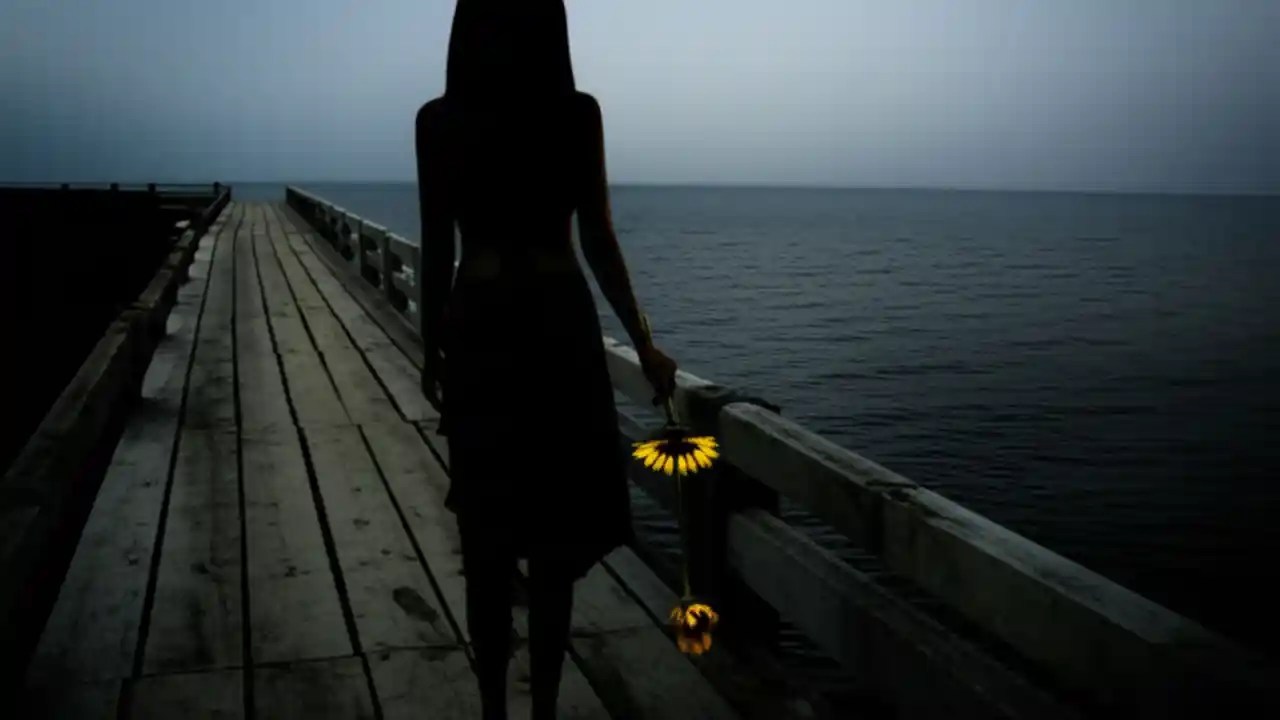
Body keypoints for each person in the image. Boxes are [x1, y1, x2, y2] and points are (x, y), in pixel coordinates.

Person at [414, 2, 679, 718]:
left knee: (487, 541)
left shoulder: (439, 121)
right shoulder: (574, 113)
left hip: (479, 330)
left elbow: (439, 248)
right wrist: (643, 338)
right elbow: (597, 236)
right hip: (560, 333)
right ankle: (542, 711)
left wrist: (429, 351)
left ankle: (496, 707)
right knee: (555, 546)